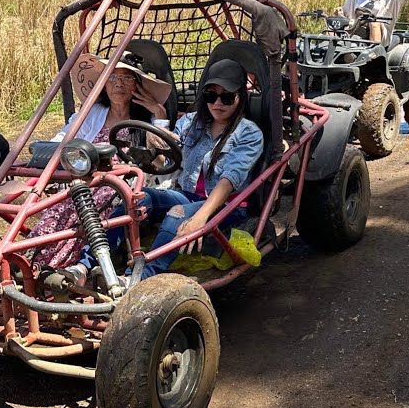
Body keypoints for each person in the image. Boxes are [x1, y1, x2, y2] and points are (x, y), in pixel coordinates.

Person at [65, 58, 264, 282]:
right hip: (187, 194)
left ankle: (138, 278)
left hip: (227, 205)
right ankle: (84, 267)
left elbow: (228, 180)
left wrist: (200, 218)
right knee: (135, 199)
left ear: (240, 97)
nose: (217, 103)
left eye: (226, 97)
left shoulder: (249, 133)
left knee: (176, 213)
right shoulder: (190, 123)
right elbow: (166, 164)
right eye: (211, 95)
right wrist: (152, 147)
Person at [24, 52, 171, 268]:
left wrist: (159, 112)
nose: (118, 84)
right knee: (60, 207)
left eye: (126, 78)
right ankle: (32, 261)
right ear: (104, 83)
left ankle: (66, 267)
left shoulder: (147, 120)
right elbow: (65, 136)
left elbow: (163, 160)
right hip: (83, 179)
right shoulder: (93, 112)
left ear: (137, 86)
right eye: (112, 77)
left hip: (119, 184)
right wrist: (45, 150)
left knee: (92, 208)